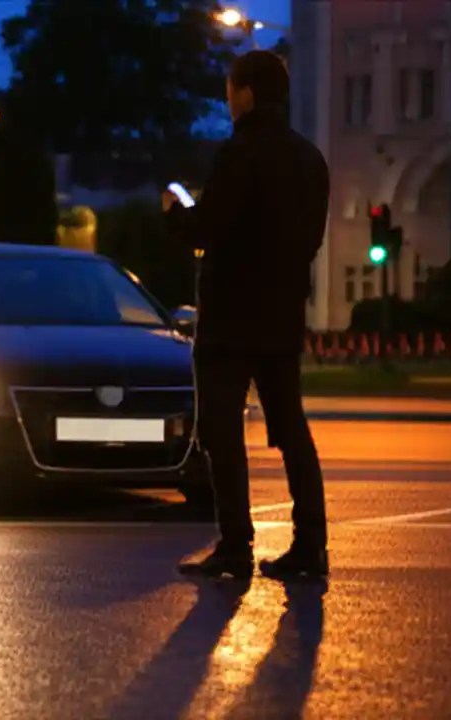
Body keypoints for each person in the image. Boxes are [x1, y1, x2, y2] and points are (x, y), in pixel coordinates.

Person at [162, 50, 330, 580]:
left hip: (231, 317)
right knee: (291, 428)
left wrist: (175, 214)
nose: (227, 100)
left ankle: (236, 546)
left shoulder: (239, 153)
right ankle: (311, 544)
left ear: (247, 94)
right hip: (282, 315)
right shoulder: (310, 159)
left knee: (222, 431)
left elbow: (208, 226)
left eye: (230, 91)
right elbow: (310, 239)